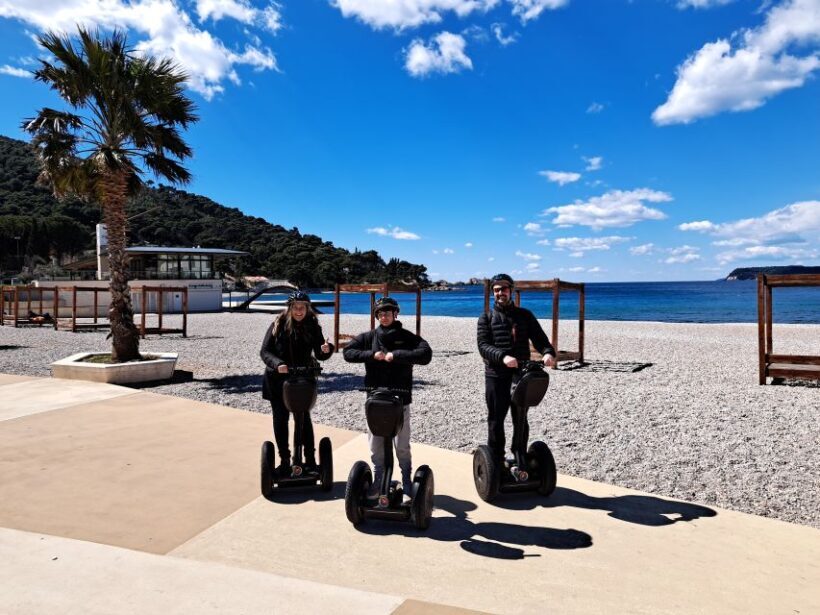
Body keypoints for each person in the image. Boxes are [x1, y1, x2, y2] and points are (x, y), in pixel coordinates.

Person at [343, 296, 432, 501]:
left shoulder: (406, 336)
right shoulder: (368, 337)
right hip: (375, 399)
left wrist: (397, 354)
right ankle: (379, 478)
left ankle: (406, 479)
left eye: (388, 312)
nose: (384, 316)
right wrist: (371, 355)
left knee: (401, 444)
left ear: (395, 314)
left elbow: (426, 354)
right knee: (376, 443)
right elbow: (348, 352)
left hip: (400, 398)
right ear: (376, 316)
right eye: (381, 313)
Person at [477, 273, 557, 467]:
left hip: (521, 375)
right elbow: (483, 346)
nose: (500, 293)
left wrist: (547, 353)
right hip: (496, 376)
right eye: (496, 290)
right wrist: (503, 357)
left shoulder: (525, 315)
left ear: (511, 291)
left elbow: (540, 339)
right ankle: (496, 459)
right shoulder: (486, 317)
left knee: (521, 418)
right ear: (492, 293)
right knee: (496, 419)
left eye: (503, 289)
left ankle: (520, 454)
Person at [260, 291, 334, 474]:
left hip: (302, 378)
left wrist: (327, 349)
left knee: (304, 418)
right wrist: (278, 364)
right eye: (295, 307)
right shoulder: (277, 325)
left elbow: (319, 354)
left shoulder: (313, 326)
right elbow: (265, 352)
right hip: (277, 380)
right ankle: (285, 460)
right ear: (290, 308)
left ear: (308, 309)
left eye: (303, 307)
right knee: (281, 419)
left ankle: (309, 459)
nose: (299, 310)